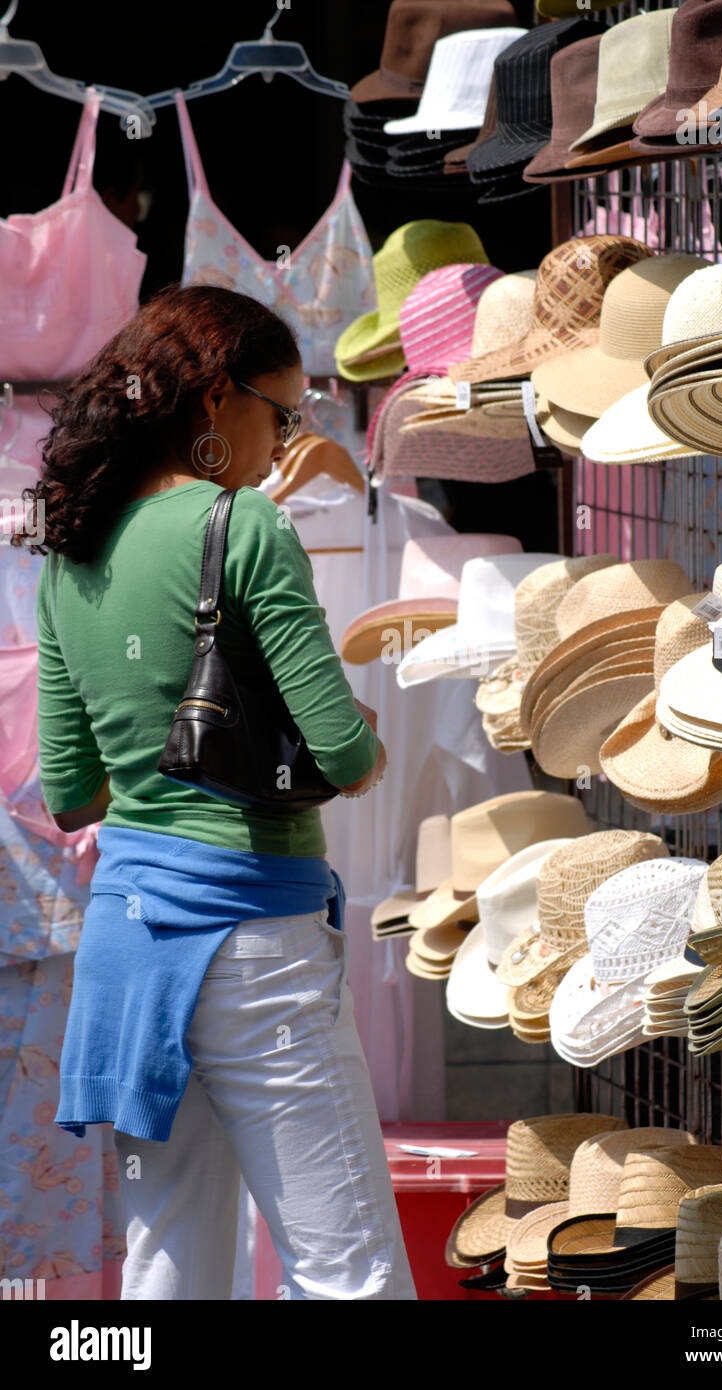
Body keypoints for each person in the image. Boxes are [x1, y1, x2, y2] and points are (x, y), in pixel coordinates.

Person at [20, 284, 417, 1301]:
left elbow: (72, 790)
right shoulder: (241, 526)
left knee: (170, 1270)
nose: (290, 441)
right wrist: (352, 738)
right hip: (254, 940)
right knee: (351, 1271)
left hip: (130, 944)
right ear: (211, 401)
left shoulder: (70, 555)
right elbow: (343, 752)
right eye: (282, 413)